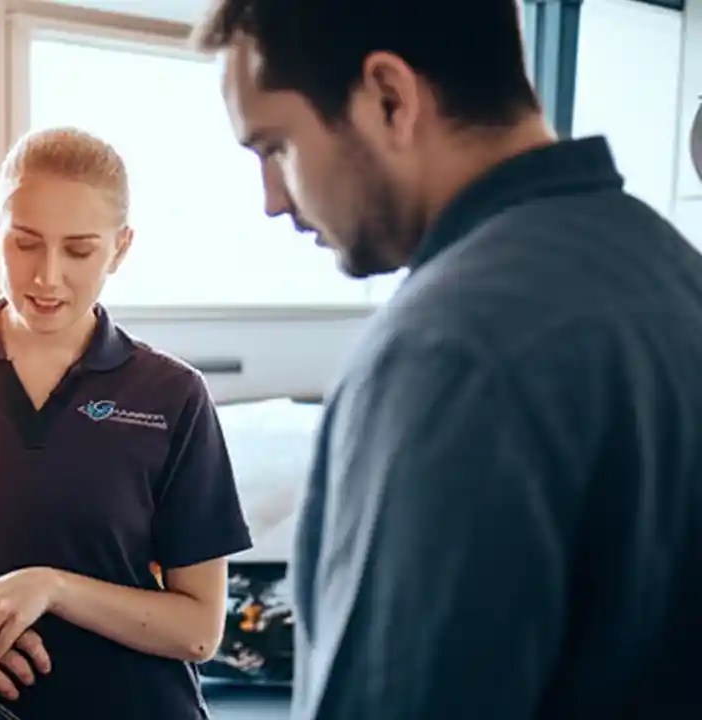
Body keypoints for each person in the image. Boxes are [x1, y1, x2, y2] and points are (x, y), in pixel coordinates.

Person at [193, 1, 702, 718]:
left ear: (390, 99)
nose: (273, 200)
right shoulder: (677, 274)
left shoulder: (447, 354)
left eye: (275, 147)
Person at [0, 126, 253, 719]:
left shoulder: (171, 394)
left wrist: (52, 587)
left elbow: (198, 630)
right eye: (25, 243)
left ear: (121, 247)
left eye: (79, 250)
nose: (47, 276)